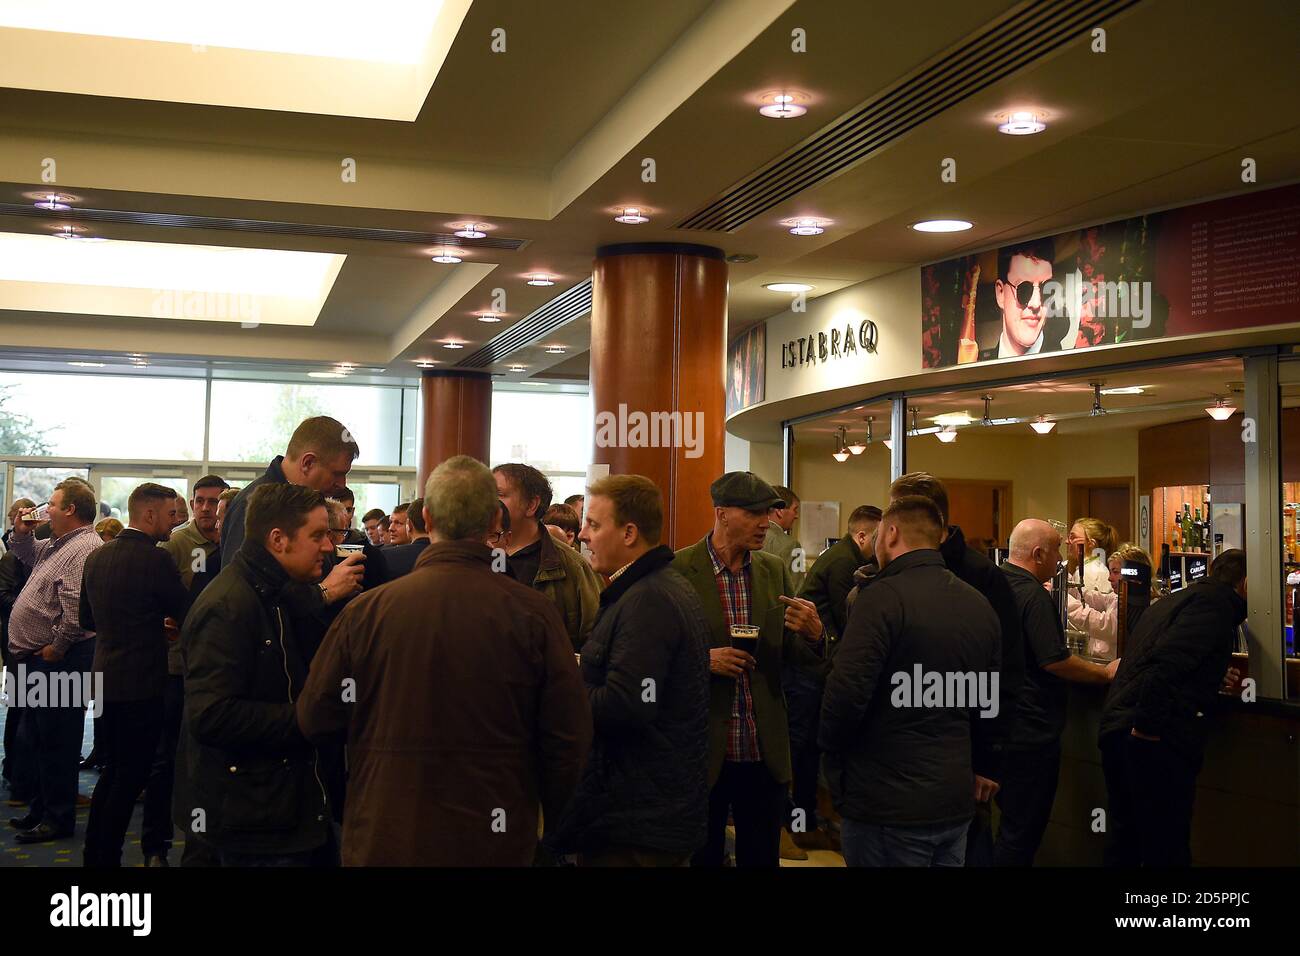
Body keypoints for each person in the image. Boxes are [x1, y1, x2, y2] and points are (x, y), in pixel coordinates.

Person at [297, 457, 591, 866]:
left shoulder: (366, 613)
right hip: (494, 837)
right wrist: (553, 827)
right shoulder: (533, 615)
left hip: (386, 831)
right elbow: (567, 738)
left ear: (428, 518)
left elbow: (314, 717)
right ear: (494, 518)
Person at [820, 496, 1001, 867]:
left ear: (890, 533)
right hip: (953, 799)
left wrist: (835, 771)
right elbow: (989, 701)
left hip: (886, 802)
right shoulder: (978, 604)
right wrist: (982, 764)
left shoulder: (881, 598)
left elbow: (845, 697)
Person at [548, 475, 710, 866]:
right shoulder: (650, 588)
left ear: (629, 533)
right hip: (642, 811)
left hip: (636, 821)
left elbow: (627, 705)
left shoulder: (648, 599)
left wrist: (558, 685)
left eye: (594, 524)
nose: (583, 535)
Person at [174, 483, 337, 867]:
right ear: (278, 540)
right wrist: (305, 718)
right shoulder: (229, 604)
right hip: (252, 820)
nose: (329, 547)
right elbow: (211, 716)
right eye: (318, 535)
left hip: (277, 805)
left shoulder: (276, 591)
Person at [671, 472, 827, 868]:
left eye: (769, 513)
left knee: (761, 859)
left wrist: (814, 635)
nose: (766, 523)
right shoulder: (678, 570)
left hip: (762, 750)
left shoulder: (773, 569)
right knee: (702, 858)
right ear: (722, 514)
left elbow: (793, 656)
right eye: (755, 513)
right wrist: (702, 661)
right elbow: (655, 657)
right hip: (704, 752)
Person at [1098, 548, 1247, 867]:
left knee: (1126, 841)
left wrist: (1212, 674)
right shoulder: (1214, 606)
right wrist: (1147, 732)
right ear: (1245, 583)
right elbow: (1165, 665)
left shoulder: (1178, 600)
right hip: (1150, 739)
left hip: (1119, 727)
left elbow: (1166, 656)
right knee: (1164, 847)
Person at [80, 483, 191, 868]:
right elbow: (186, 609)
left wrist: (143, 624)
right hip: (142, 683)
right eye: (171, 514)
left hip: (105, 677)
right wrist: (156, 628)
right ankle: (105, 856)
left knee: (112, 773)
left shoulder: (97, 556)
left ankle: (96, 855)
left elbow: (87, 619)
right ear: (149, 515)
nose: (175, 521)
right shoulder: (156, 559)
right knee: (131, 777)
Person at [995, 519, 1116, 867]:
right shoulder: (1033, 595)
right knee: (1022, 832)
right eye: (1057, 551)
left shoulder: (994, 584)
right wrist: (1103, 672)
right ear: (1038, 554)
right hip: (1030, 730)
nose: (1060, 559)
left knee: (1004, 826)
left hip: (997, 723)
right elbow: (1054, 661)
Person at [5, 478, 103, 843]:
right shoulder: (59, 545)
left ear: (70, 510)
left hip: (62, 659)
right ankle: (42, 809)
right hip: (44, 660)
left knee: (58, 742)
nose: (45, 510)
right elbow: (25, 553)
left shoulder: (83, 548)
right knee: (39, 738)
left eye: (52, 504)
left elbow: (76, 612)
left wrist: (57, 648)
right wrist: (21, 532)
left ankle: (58, 818)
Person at [146, 483, 236, 867]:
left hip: (221, 675)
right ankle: (155, 846)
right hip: (176, 667)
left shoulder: (238, 552)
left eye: (214, 503)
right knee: (168, 760)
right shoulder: (176, 545)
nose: (206, 509)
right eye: (200, 502)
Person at [493, 464, 602, 650]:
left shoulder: (573, 567)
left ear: (531, 505)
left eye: (500, 495)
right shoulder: (478, 554)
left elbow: (596, 637)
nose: (489, 502)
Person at [801, 505, 881, 643]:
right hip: (818, 648)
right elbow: (847, 618)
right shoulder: (844, 561)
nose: (882, 543)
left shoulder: (845, 553)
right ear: (862, 537)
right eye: (878, 537)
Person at [1068, 544, 1153, 660]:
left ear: (1132, 572)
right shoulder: (1119, 597)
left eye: (1116, 572)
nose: (1109, 578)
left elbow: (1100, 623)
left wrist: (1066, 600)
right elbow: (1092, 597)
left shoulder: (1135, 606)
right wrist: (1067, 585)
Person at [979, 237, 1059, 360]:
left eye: (1046, 290)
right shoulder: (978, 368)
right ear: (1000, 293)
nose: (1036, 303)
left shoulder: (1072, 363)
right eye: (1024, 290)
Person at [762, 485, 806, 592]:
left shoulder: (749, 539)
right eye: (795, 510)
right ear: (780, 511)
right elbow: (796, 588)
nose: (796, 516)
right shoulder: (792, 545)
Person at [381, 498, 431, 581]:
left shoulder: (386, 557)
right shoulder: (445, 553)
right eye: (391, 522)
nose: (390, 528)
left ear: (409, 525)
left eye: (398, 523)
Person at [1067, 517, 1116, 595]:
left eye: (1073, 537)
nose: (1067, 541)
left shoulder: (1087, 571)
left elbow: (1083, 605)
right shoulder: (1097, 567)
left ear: (1091, 544)